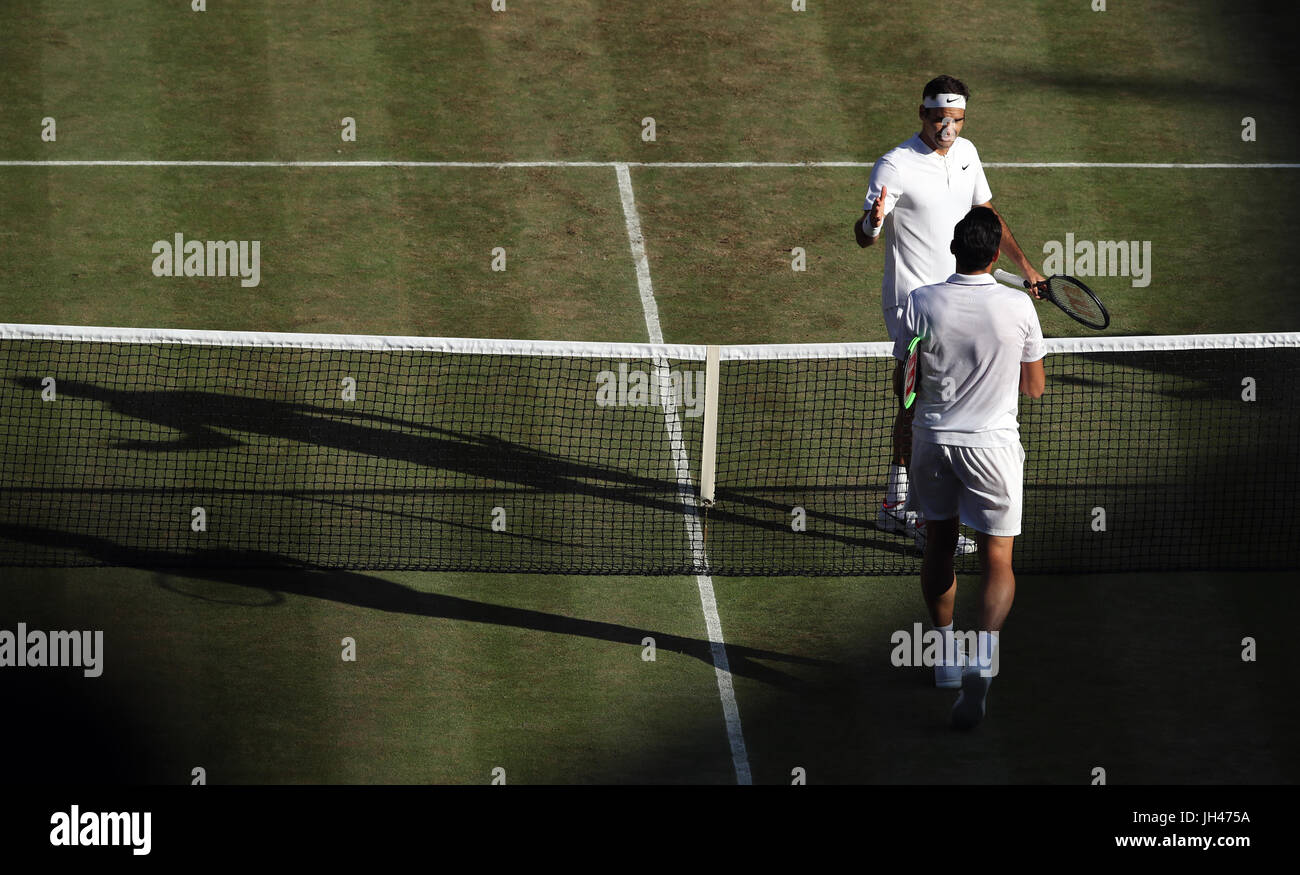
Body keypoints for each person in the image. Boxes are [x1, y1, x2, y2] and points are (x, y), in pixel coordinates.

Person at [855, 75, 1046, 554]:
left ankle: (898, 504)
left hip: (965, 296)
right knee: (915, 399)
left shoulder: (967, 154)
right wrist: (872, 222)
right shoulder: (895, 165)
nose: (949, 129)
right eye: (941, 119)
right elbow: (863, 235)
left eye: (957, 120)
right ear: (922, 113)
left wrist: (1027, 268)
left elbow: (987, 214)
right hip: (914, 304)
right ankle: (911, 511)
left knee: (935, 399)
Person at [892, 206, 1045, 728]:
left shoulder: (920, 301)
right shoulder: (1020, 307)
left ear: (955, 250)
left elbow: (906, 377)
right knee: (998, 559)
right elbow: (1034, 386)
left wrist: (905, 419)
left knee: (938, 543)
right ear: (995, 254)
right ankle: (984, 657)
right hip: (994, 448)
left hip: (933, 443)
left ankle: (942, 659)